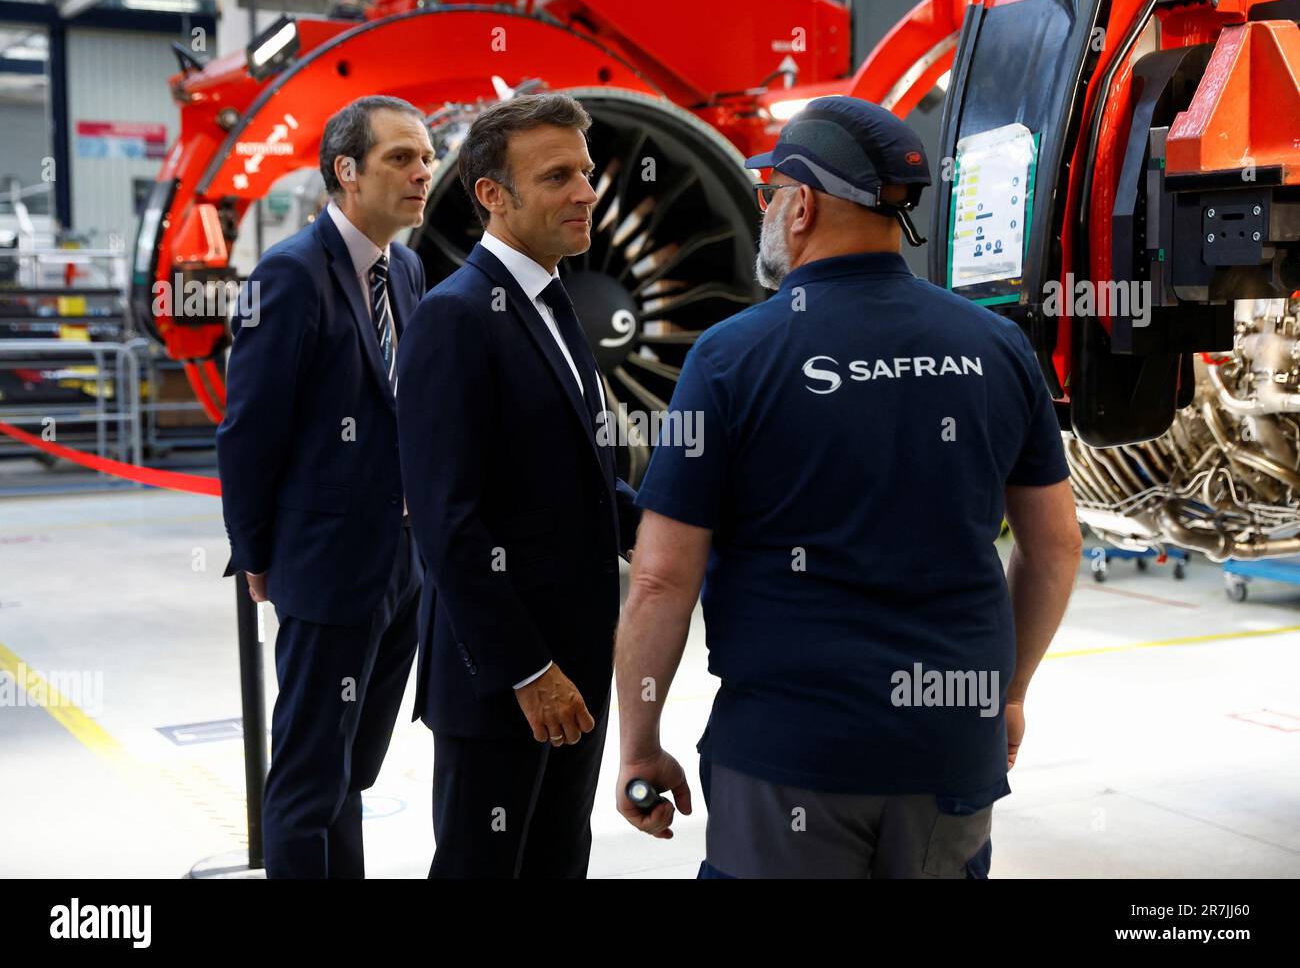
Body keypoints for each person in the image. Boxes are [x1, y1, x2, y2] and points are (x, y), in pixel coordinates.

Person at [612, 96, 1082, 878]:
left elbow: (661, 577)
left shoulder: (732, 357)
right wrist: (1006, 691)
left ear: (801, 206)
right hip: (948, 750)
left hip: (791, 752)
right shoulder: (997, 345)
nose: (767, 210)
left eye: (771, 194)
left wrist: (638, 741)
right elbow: (1057, 546)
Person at [397, 93, 639, 878]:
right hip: (505, 678)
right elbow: (447, 522)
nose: (586, 192)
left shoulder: (552, 299)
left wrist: (681, 523)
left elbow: (578, 482)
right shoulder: (456, 317)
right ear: (492, 196)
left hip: (578, 663)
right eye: (559, 176)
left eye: (587, 172)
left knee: (557, 860)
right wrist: (528, 671)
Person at [216, 95, 432, 878]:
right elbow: (248, 432)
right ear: (347, 171)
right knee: (309, 776)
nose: (422, 172)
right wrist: (258, 553)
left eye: (426, 156)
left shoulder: (405, 268)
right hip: (326, 565)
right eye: (400, 158)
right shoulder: (290, 275)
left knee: (352, 772)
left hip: (401, 564)